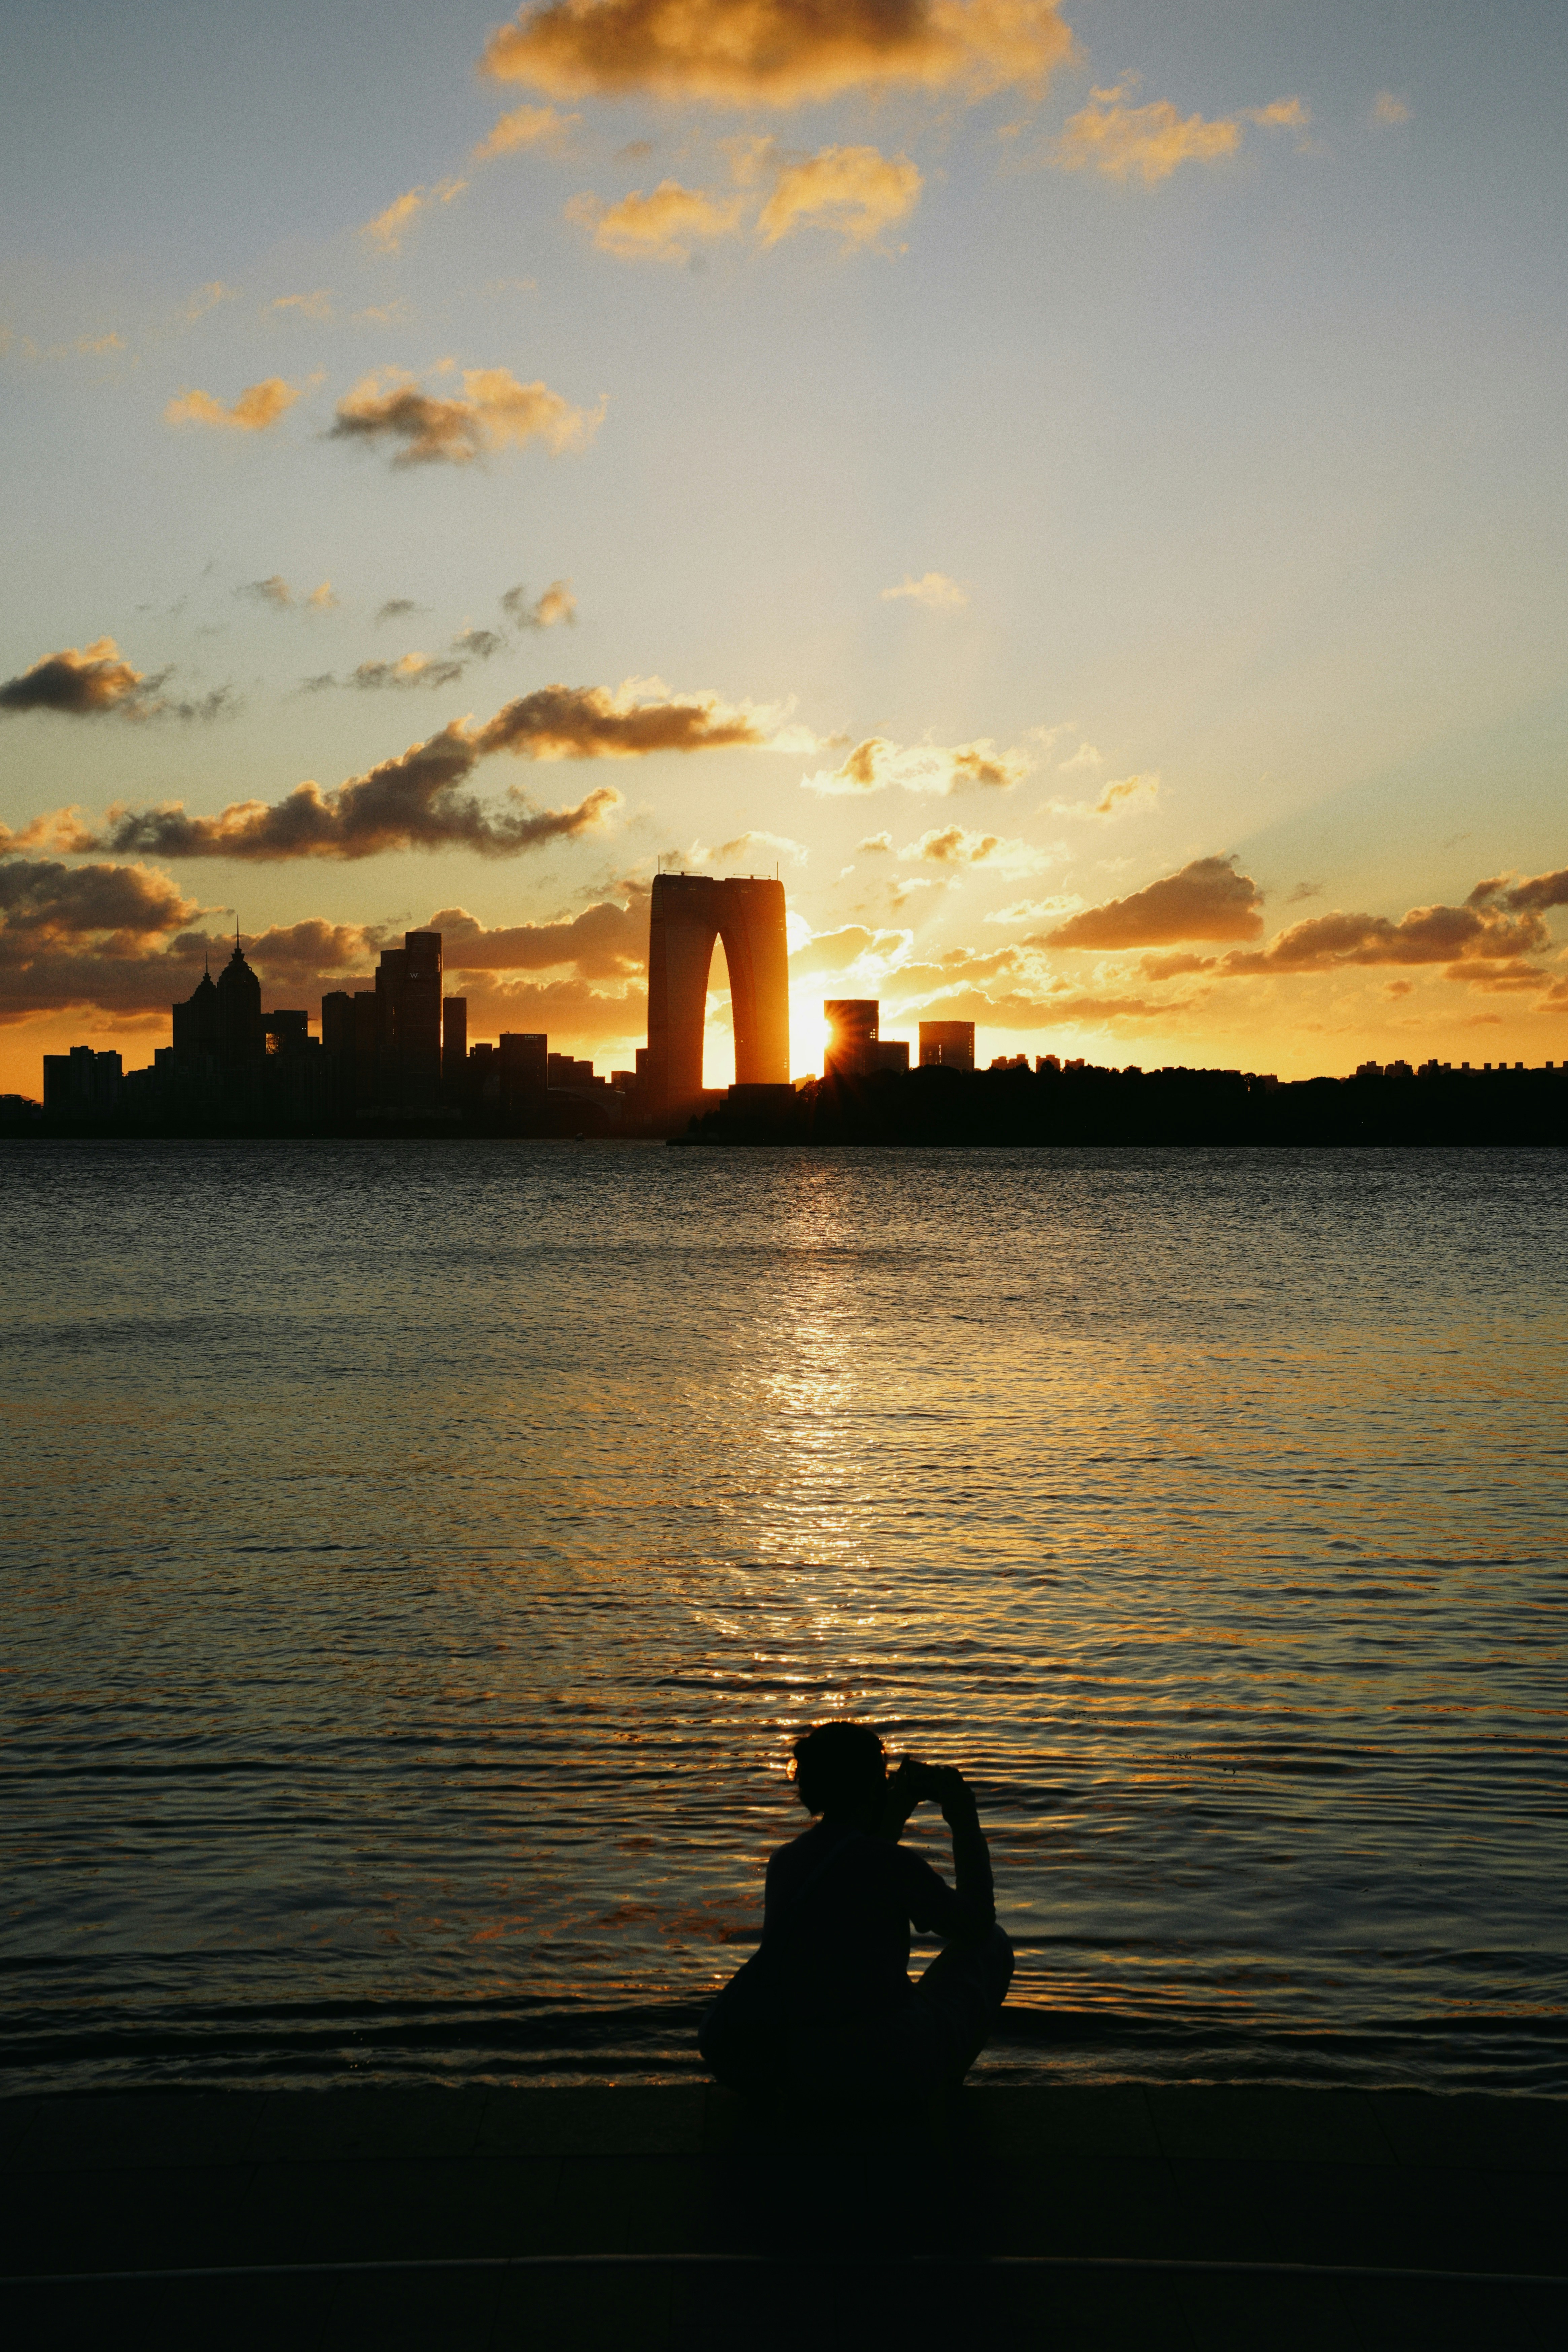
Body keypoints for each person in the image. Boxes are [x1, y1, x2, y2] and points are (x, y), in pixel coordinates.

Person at [699, 1721, 1013, 2104]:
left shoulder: (785, 1862)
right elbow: (976, 1922)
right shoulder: (891, 1864)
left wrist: (894, 1807)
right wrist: (963, 1817)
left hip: (803, 2067)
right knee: (991, 1944)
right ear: (871, 1786)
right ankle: (941, 2091)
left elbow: (853, 1864)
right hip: (884, 2066)